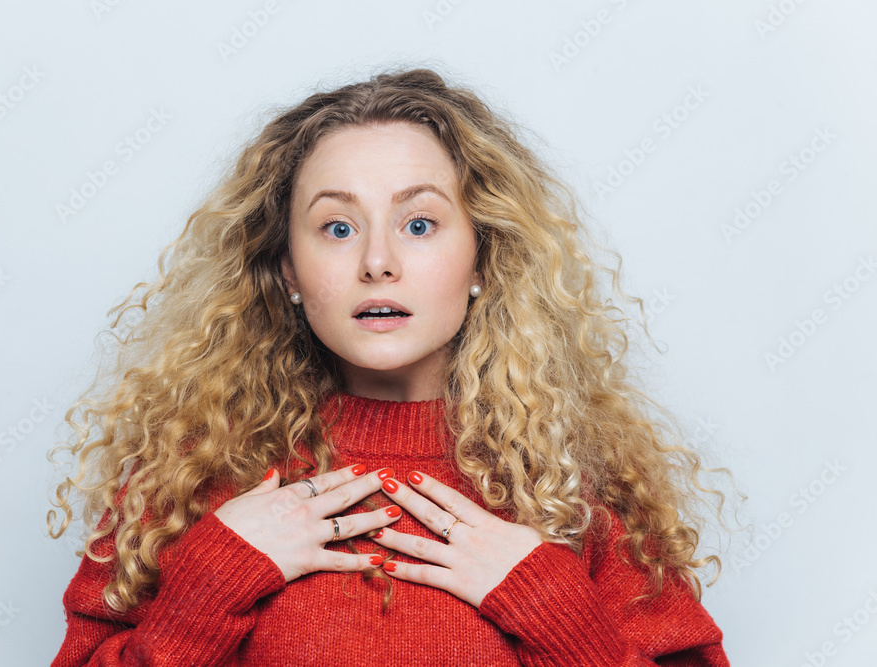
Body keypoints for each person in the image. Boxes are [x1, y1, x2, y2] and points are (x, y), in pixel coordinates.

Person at [47, 67, 736, 666]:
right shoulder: (191, 472)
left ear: (482, 259)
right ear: (288, 267)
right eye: (338, 228)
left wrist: (552, 610)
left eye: (419, 223)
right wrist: (208, 587)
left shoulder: (573, 481)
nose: (378, 261)